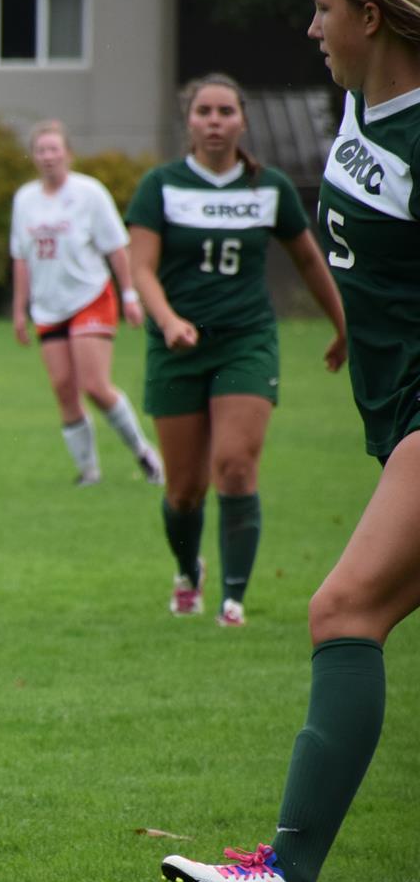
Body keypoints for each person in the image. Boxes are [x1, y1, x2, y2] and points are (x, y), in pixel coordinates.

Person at [160, 0, 420, 882]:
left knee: (342, 609)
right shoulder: (359, 105)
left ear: (369, 13)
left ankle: (289, 879)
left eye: (320, 9)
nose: (308, 28)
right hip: (395, 413)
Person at [126, 74, 347, 628]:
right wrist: (170, 320)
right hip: (176, 349)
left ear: (243, 120)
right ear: (189, 121)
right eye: (205, 111)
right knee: (184, 490)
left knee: (236, 467)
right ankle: (187, 572)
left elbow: (308, 261)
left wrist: (344, 325)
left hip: (245, 343)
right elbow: (141, 269)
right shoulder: (162, 186)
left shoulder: (267, 188)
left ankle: (233, 601)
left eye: (226, 110)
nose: (216, 120)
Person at [11, 121, 165, 488]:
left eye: (54, 149)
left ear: (68, 153)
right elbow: (20, 257)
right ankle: (89, 471)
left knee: (94, 385)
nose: (48, 156)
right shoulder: (25, 199)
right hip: (48, 306)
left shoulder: (89, 193)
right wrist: (19, 309)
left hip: (90, 297)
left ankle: (145, 453)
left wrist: (129, 295)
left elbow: (116, 247)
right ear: (33, 157)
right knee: (64, 387)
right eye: (41, 150)